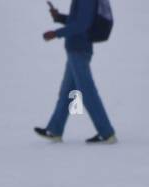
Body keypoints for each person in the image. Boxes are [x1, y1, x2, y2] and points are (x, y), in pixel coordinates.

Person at [35, 0, 116, 144]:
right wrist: (59, 17)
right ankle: (55, 130)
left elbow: (82, 25)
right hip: (75, 49)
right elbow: (76, 21)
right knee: (66, 92)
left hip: (79, 49)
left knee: (87, 92)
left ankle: (107, 133)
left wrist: (56, 33)